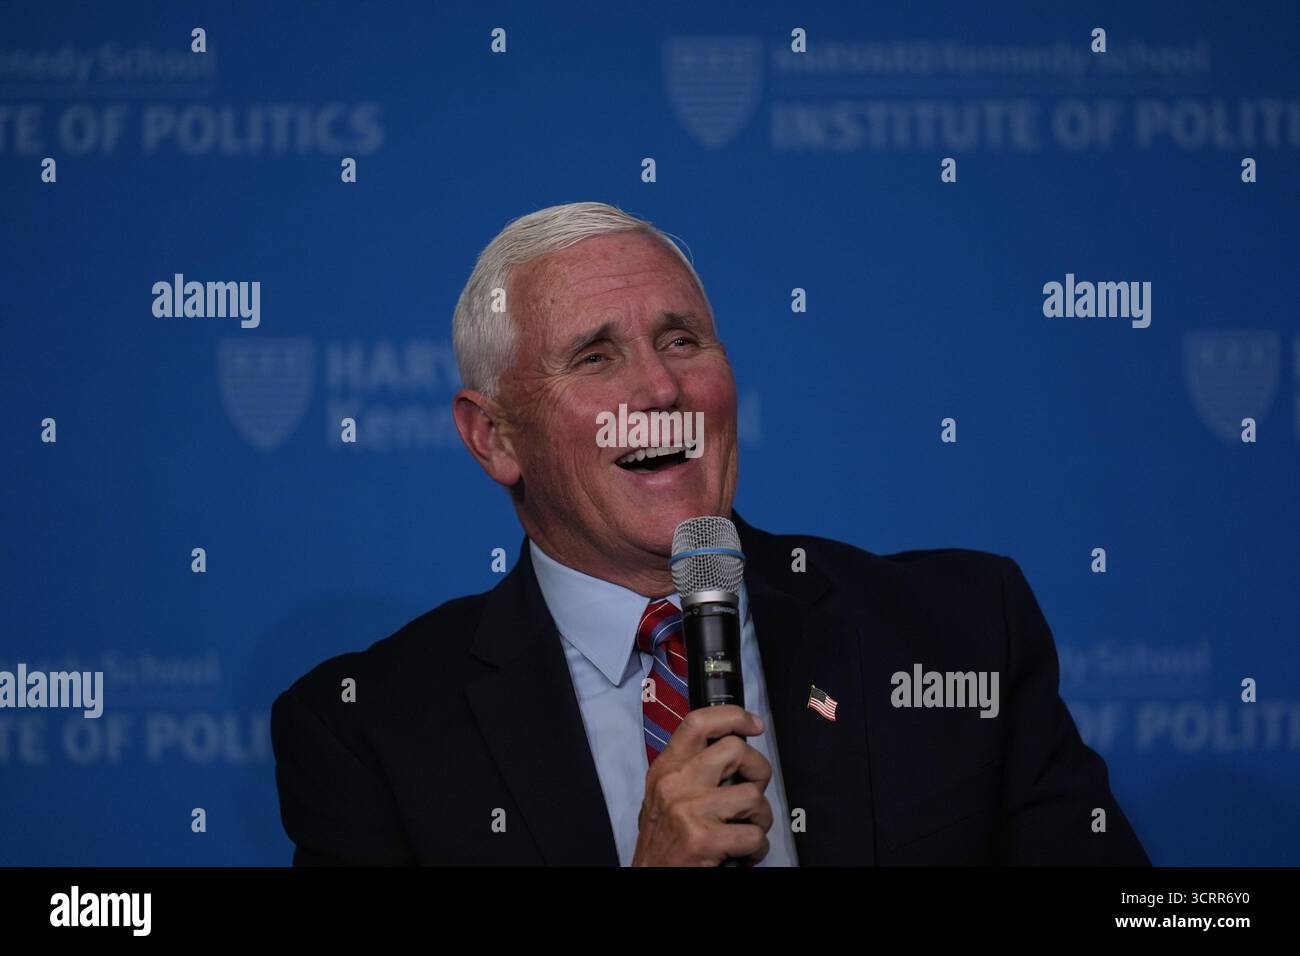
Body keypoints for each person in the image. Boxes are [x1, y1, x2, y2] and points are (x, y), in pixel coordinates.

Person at [270, 201, 1149, 866]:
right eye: (596, 357)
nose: (660, 392)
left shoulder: (957, 630)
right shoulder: (369, 733)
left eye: (683, 339)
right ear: (494, 437)